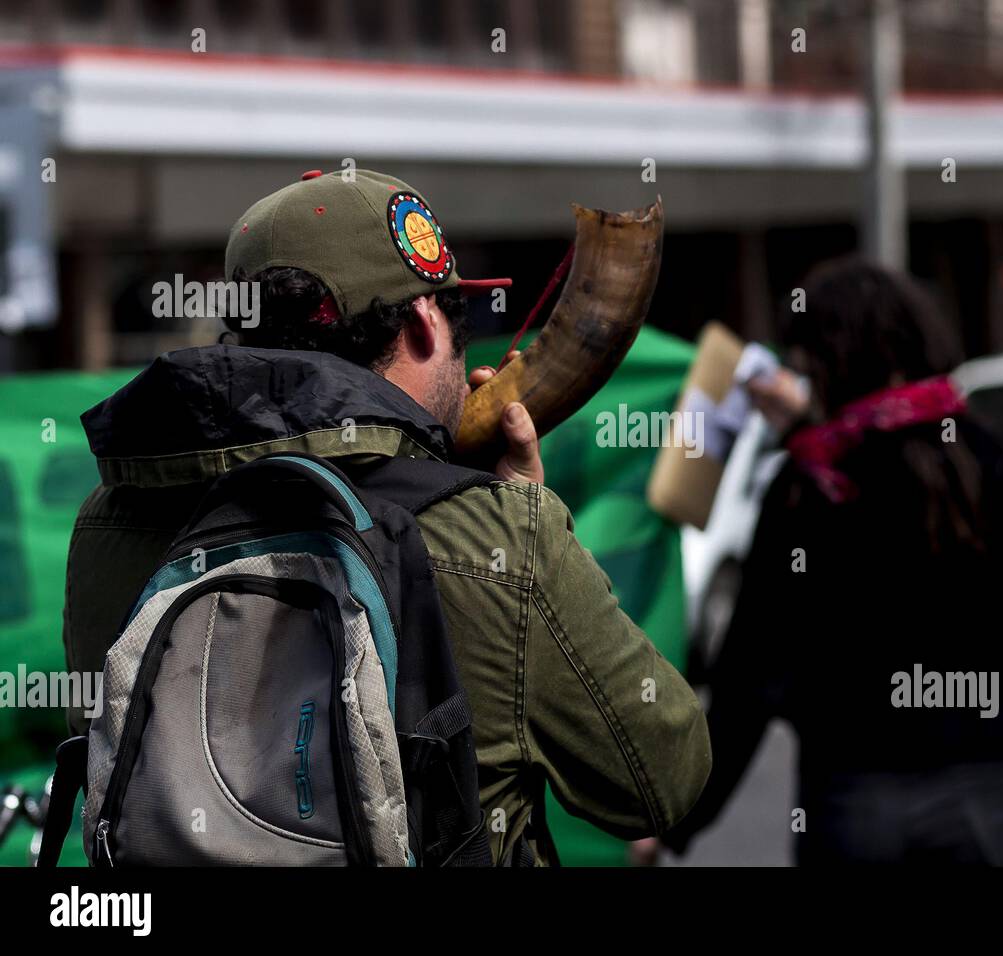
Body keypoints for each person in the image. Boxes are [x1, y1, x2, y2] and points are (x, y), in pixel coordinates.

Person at [61, 169, 711, 866]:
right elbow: (661, 782)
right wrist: (524, 513)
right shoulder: (498, 535)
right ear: (425, 322)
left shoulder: (107, 521)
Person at [665, 257, 1003, 865]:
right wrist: (810, 431)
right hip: (983, 788)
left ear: (835, 360)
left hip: (856, 795)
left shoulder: (806, 488)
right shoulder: (1000, 457)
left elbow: (751, 677)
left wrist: (677, 821)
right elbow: (897, 461)